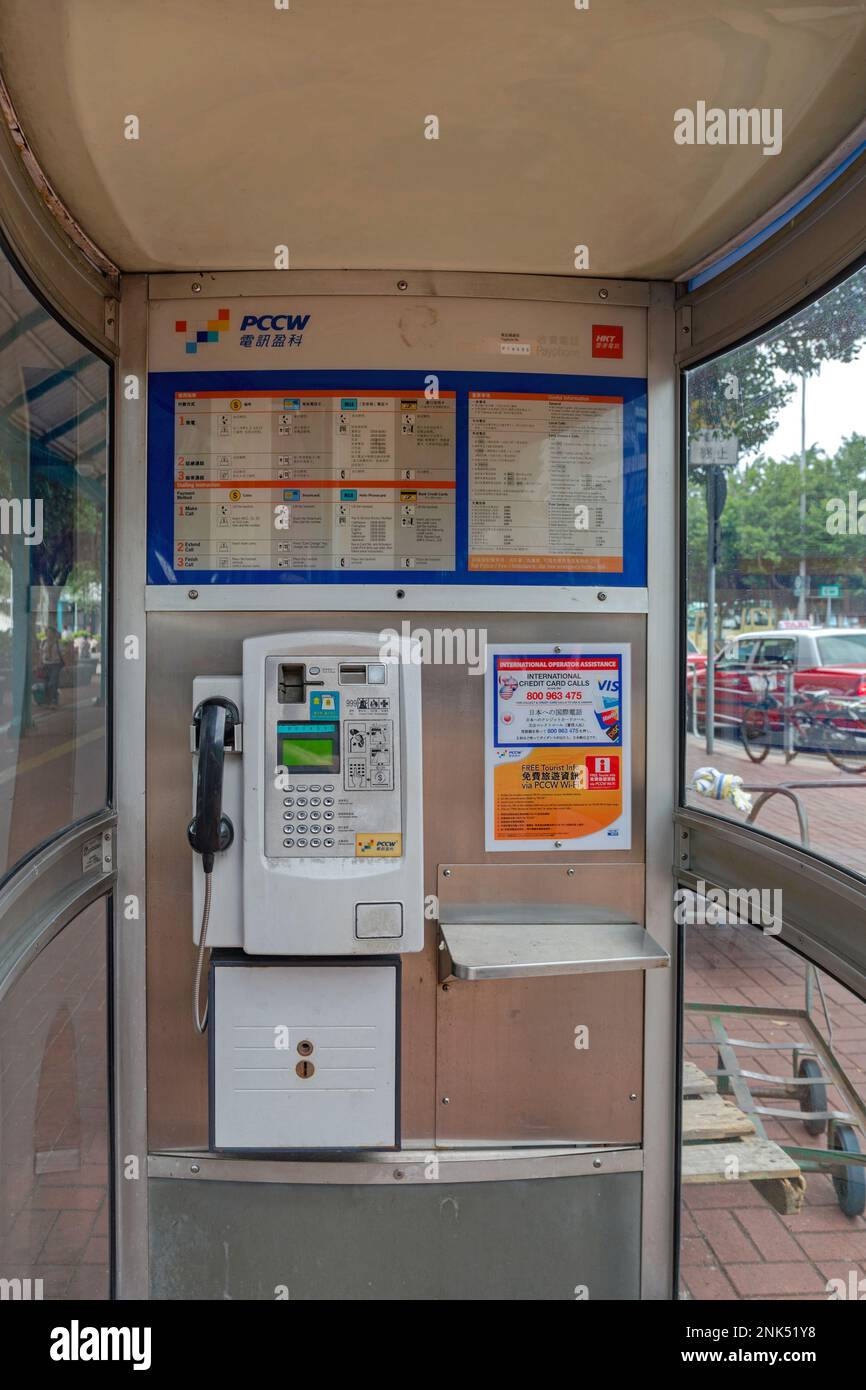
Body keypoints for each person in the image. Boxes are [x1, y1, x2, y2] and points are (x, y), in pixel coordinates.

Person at [40, 627, 64, 707]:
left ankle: (54, 701)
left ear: (54, 634)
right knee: (45, 684)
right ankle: (47, 701)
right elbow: (41, 653)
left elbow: (63, 654)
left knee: (52, 683)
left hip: (55, 665)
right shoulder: (43, 642)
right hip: (45, 664)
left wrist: (66, 665)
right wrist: (39, 663)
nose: (49, 634)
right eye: (47, 632)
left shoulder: (58, 643)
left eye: (51, 632)